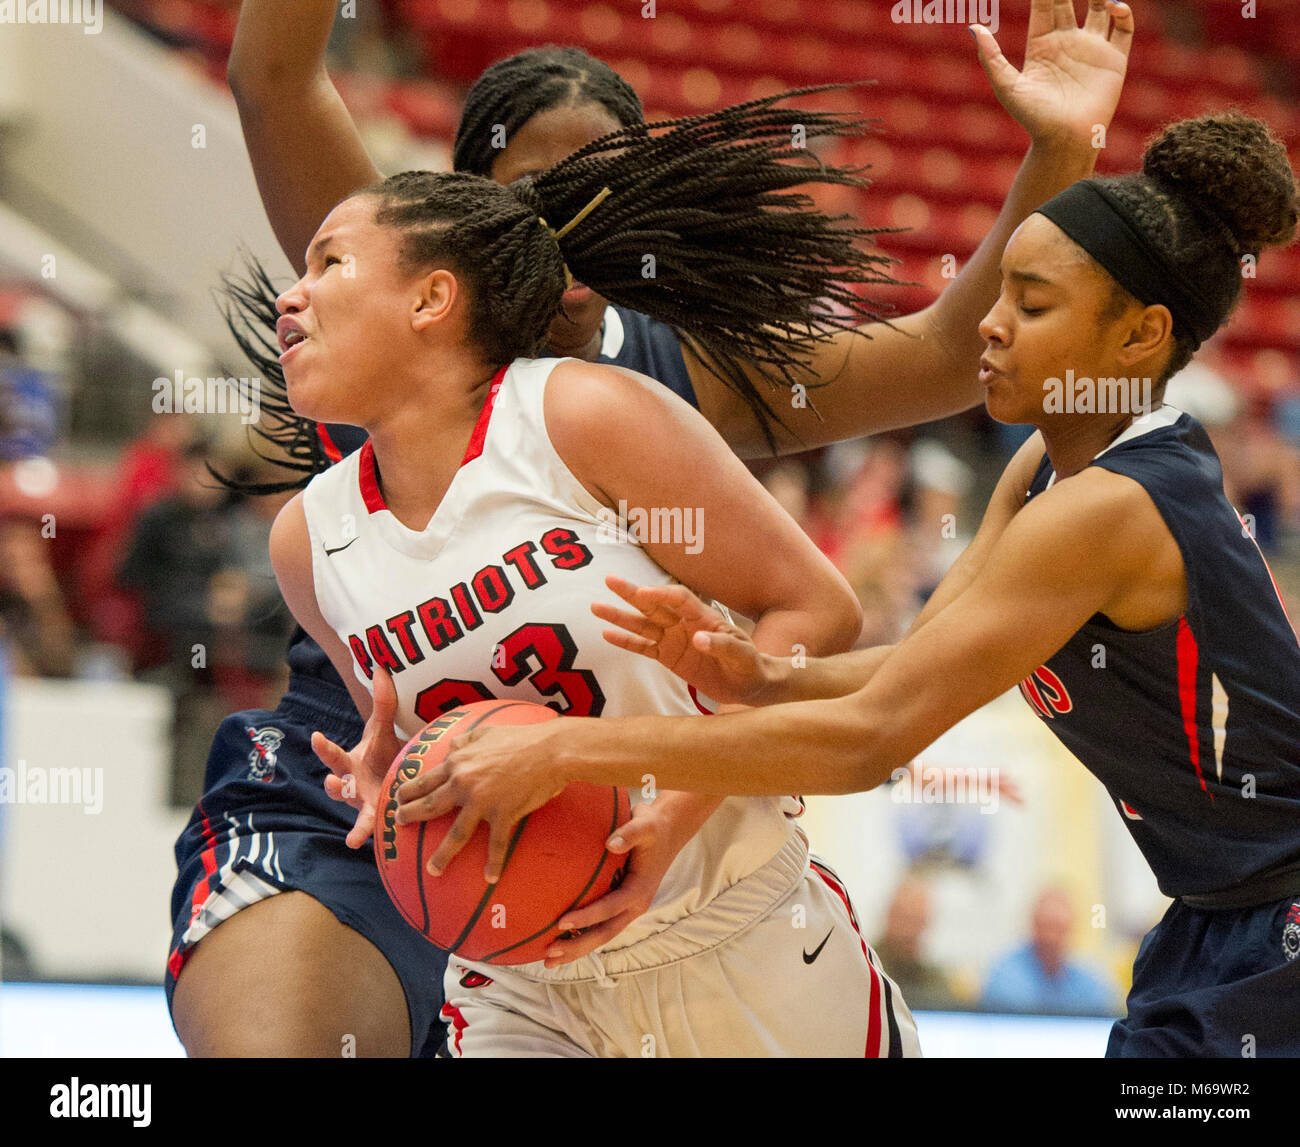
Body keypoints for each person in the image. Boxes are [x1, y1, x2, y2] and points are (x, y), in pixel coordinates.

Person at [169, 0, 1134, 1057]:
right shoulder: (385, 302)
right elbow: (273, 77)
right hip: (381, 791)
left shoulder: (659, 379)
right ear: (450, 231)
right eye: (533, 199)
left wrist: (1060, 144)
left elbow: (946, 358)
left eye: (601, 198)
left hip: (642, 822)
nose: (567, 230)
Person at [404, 112, 1300, 1057]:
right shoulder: (1047, 464)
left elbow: (870, 743)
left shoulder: (1108, 510)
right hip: (1216, 918)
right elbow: (912, 668)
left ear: (1140, 336)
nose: (988, 322)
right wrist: (763, 679)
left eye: (1032, 306)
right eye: (998, 293)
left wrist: (572, 752)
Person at [261, 95, 937, 1055]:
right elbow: (441, 735)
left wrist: (672, 816)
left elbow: (814, 609)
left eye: (328, 261)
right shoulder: (306, 540)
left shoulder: (578, 416)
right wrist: (393, 774)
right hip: (521, 980)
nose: (293, 293)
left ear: (431, 299)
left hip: (733, 924)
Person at [979, 886, 1117, 1015]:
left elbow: (1106, 1015)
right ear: (1033, 926)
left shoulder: (1087, 978)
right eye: (1047, 926)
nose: (1052, 938)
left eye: (1059, 928)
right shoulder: (1006, 975)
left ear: (1071, 930)